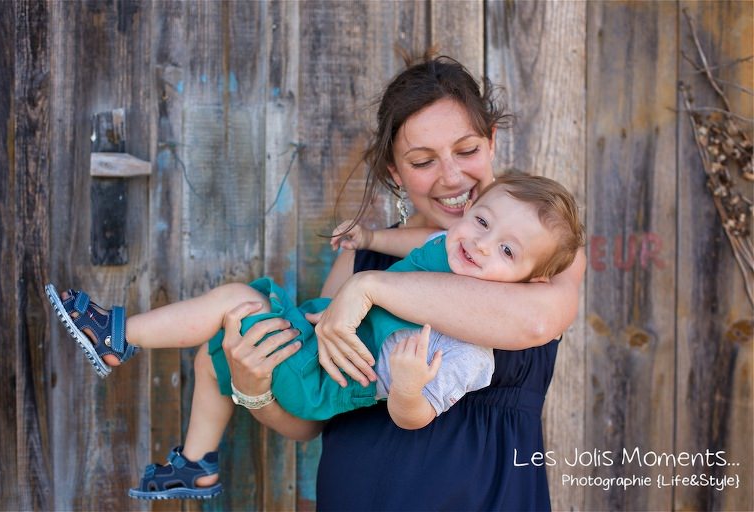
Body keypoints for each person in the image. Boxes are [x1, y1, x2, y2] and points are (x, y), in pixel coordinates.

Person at [45, 171, 584, 499]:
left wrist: (407, 388)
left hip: (323, 382)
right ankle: (195, 464)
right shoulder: (455, 248)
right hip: (310, 343)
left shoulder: (468, 345)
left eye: (508, 251)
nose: (484, 244)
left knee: (238, 302)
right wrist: (372, 237)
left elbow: (410, 416)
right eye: (482, 221)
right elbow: (432, 237)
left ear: (531, 279)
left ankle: (117, 335)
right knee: (219, 351)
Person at [221, 54, 586, 511]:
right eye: (422, 161)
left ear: (491, 142)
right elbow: (311, 419)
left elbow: (533, 324)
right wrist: (254, 389)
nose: (452, 176)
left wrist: (372, 289)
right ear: (395, 171)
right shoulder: (363, 257)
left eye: (467, 150)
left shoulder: (542, 252)